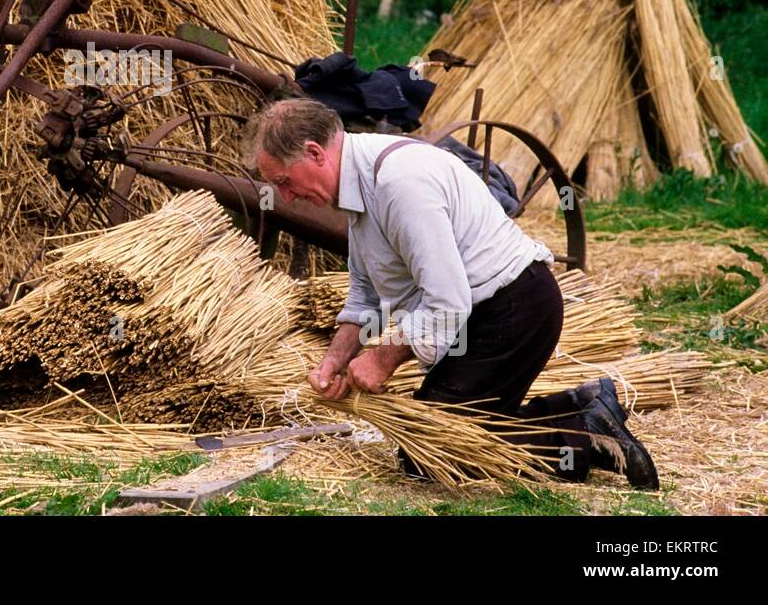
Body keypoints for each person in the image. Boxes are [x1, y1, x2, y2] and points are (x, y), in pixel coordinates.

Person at [247, 97, 658, 489]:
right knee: (432, 440)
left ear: (316, 153)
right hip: (479, 321)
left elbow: (448, 301)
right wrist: (335, 361)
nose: (285, 196)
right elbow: (364, 298)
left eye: (284, 181)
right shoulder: (356, 191)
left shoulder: (396, 183)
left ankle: (586, 431)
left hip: (512, 312)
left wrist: (382, 359)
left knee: (433, 455)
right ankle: (581, 406)